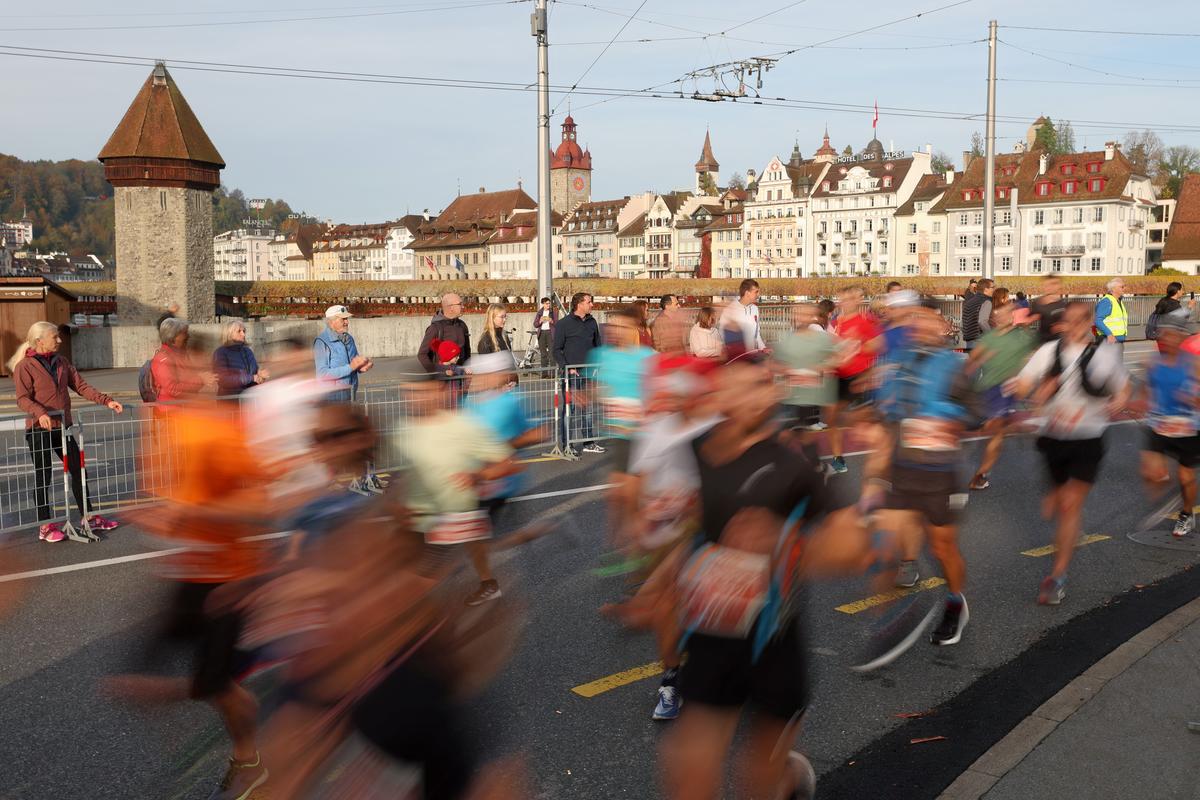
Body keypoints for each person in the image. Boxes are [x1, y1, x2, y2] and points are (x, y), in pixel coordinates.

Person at [664, 361, 868, 800]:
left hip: (773, 642)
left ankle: (790, 781)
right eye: (736, 389)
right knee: (688, 778)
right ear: (718, 398)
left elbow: (852, 546)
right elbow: (691, 528)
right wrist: (659, 583)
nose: (752, 397)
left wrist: (782, 544)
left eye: (760, 385)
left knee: (758, 782)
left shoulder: (793, 462)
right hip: (711, 635)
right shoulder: (697, 449)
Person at [873, 300, 977, 646]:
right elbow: (886, 412)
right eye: (916, 320)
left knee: (942, 547)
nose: (921, 326)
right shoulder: (900, 363)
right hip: (903, 468)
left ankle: (955, 601)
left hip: (940, 472)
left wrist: (948, 419)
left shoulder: (953, 365)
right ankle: (888, 614)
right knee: (886, 539)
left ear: (943, 328)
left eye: (929, 321)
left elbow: (977, 411)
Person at [1016, 302, 1130, 605]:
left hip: (1088, 439)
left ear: (1090, 322)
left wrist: (1118, 401)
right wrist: (1036, 394)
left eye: (1082, 319)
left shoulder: (1104, 356)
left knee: (1069, 505)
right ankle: (1053, 492)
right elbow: (1023, 385)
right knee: (1054, 501)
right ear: (1063, 323)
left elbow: (1123, 389)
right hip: (1053, 438)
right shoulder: (1048, 353)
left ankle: (1058, 576)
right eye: (1070, 320)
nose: (1076, 324)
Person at [11, 321, 123, 542]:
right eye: (55, 337)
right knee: (43, 477)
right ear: (39, 340)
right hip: (39, 429)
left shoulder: (61, 362)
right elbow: (23, 398)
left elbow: (81, 386)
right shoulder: (25, 366)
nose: (60, 340)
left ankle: (88, 517)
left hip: (61, 427)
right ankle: (45, 525)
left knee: (78, 471)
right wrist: (40, 412)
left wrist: (107, 401)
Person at [463, 352, 546, 605]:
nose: (471, 380)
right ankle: (545, 533)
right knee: (478, 538)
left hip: (500, 484)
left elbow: (538, 433)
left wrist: (504, 446)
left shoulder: (510, 402)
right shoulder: (469, 403)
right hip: (477, 480)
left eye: (476, 375)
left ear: (493, 377)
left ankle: (489, 584)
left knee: (475, 538)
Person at [1139, 312, 1200, 538]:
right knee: (1150, 473)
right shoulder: (1153, 362)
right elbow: (1146, 390)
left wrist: (1194, 399)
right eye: (1163, 334)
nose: (1166, 339)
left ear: (1181, 337)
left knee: (1186, 476)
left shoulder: (1193, 363)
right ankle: (1162, 476)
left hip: (1187, 426)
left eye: (1171, 335)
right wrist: (1138, 401)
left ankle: (1186, 513)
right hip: (1159, 424)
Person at [966, 302, 1037, 490]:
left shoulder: (1022, 336)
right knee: (985, 426)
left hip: (1005, 390)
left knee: (995, 429)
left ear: (1012, 315)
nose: (1000, 317)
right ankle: (1013, 425)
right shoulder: (988, 338)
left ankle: (981, 475)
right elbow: (972, 360)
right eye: (997, 315)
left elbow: (1038, 355)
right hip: (985, 389)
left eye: (1005, 314)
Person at [826, 286, 881, 474]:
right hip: (837, 376)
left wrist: (868, 370)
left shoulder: (865, 321)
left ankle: (882, 457)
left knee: (861, 421)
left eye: (848, 299)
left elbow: (878, 345)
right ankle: (837, 458)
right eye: (841, 299)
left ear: (857, 301)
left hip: (858, 376)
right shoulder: (836, 322)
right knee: (832, 418)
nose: (844, 302)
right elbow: (832, 347)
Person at [553, 292, 605, 455]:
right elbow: (556, 350)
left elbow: (598, 346)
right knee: (570, 409)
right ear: (579, 304)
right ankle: (567, 445)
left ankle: (589, 442)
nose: (592, 305)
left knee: (588, 409)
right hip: (571, 376)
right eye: (589, 302)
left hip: (590, 373)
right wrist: (568, 367)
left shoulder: (592, 322)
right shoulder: (563, 324)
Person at [772, 303, 836, 432]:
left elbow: (840, 353)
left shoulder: (821, 337)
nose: (801, 317)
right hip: (791, 395)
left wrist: (824, 366)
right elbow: (774, 362)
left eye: (805, 315)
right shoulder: (787, 338)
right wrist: (784, 370)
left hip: (809, 394)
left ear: (812, 317)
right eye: (798, 314)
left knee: (803, 435)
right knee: (788, 431)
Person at [313, 305, 373, 402]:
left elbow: (355, 363)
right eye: (343, 319)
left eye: (347, 319)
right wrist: (350, 367)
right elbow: (322, 374)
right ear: (332, 321)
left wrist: (362, 367)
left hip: (350, 395)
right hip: (331, 400)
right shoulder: (321, 342)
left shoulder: (349, 338)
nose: (347, 322)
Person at [151, 317, 213, 403]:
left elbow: (186, 379)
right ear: (172, 338)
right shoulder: (163, 358)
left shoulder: (179, 354)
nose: (188, 336)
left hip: (183, 408)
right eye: (184, 333)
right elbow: (173, 389)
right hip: (171, 412)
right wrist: (200, 379)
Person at [418, 293, 471, 374]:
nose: (463, 306)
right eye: (460, 304)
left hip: (461, 378)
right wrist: (437, 372)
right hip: (442, 381)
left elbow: (467, 350)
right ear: (451, 307)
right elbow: (422, 354)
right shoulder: (435, 329)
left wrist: (467, 367)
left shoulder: (462, 326)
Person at [212, 320, 266, 398]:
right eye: (239, 331)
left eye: (244, 331)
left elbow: (255, 373)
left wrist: (260, 376)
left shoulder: (248, 351)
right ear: (229, 334)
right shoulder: (220, 353)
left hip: (249, 399)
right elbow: (223, 380)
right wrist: (252, 378)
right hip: (229, 401)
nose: (243, 334)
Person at [720, 279, 765, 358]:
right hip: (736, 358)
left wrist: (763, 348)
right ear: (747, 293)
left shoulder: (755, 309)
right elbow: (721, 334)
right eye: (756, 292)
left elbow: (757, 334)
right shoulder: (730, 309)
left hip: (753, 355)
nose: (758, 295)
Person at [1030, 274, 1067, 345]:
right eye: (1046, 285)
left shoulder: (1064, 304)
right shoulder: (1037, 303)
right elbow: (1030, 320)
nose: (1049, 287)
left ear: (1059, 286)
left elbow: (1071, 323)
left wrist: (1064, 327)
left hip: (1061, 343)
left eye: (1053, 284)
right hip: (1044, 343)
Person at [1093, 278, 1128, 351]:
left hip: (1116, 341)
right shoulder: (1107, 301)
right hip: (1109, 341)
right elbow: (1098, 320)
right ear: (1113, 289)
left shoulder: (1118, 301)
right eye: (1122, 287)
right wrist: (1109, 334)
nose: (1124, 288)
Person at [960, 278, 994, 351]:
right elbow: (982, 321)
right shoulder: (986, 301)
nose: (993, 289)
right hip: (980, 340)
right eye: (992, 287)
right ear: (986, 289)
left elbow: (963, 321)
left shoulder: (970, 301)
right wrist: (991, 335)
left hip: (968, 340)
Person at [533, 296, 558, 376]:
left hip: (550, 333)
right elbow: (535, 324)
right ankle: (544, 374)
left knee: (551, 354)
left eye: (549, 303)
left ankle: (553, 374)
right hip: (542, 333)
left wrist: (551, 321)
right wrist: (540, 321)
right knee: (543, 355)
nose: (548, 305)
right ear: (543, 304)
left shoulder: (553, 312)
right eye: (547, 304)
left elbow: (557, 324)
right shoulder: (540, 312)